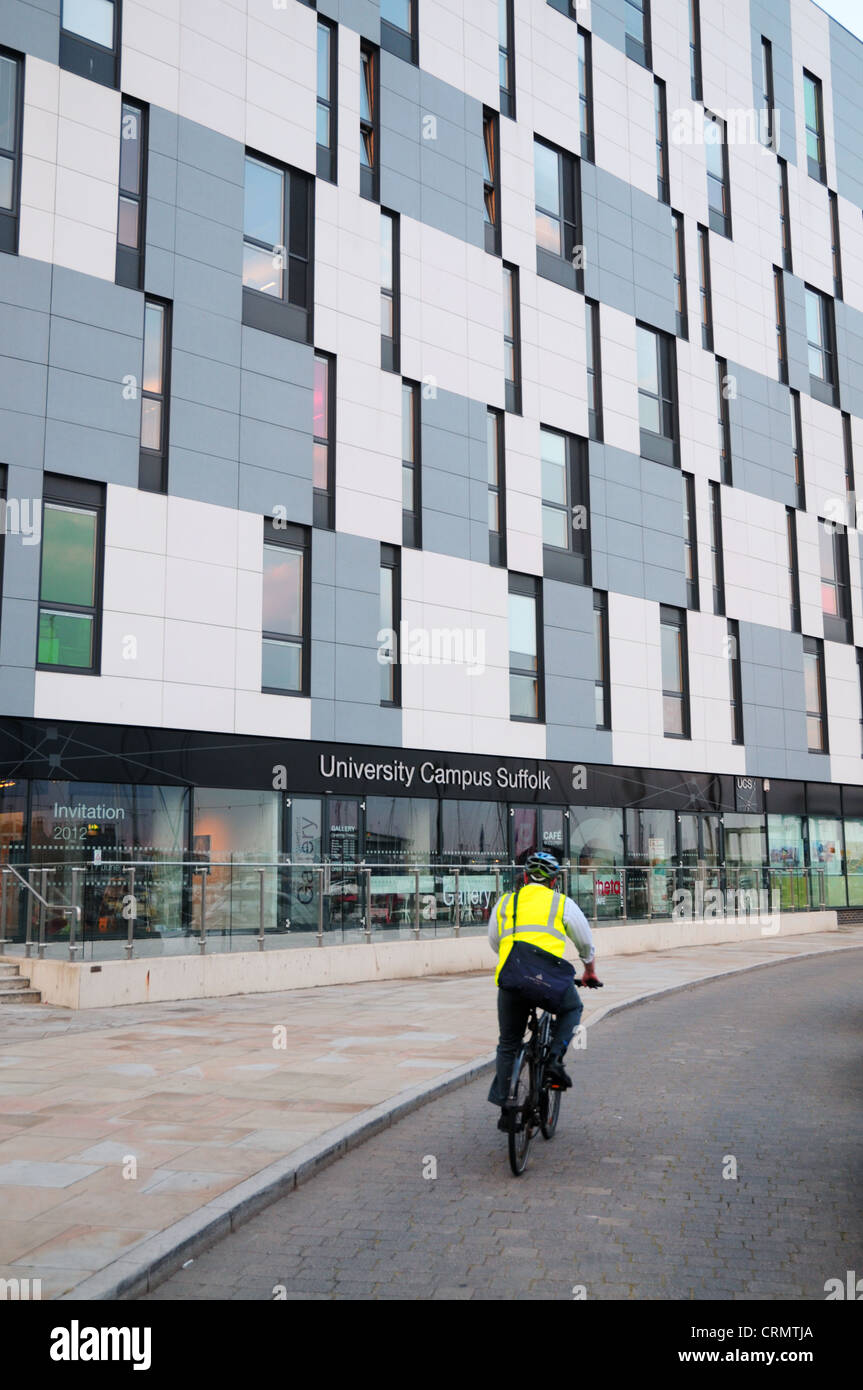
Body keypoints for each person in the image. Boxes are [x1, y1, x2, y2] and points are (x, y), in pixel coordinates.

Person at [487, 850, 599, 1130]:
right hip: (548, 981)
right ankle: (554, 1061)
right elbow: (585, 943)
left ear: (524, 877)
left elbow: (494, 941)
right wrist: (589, 971)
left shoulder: (505, 902)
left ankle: (506, 1108)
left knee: (509, 1043)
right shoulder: (563, 904)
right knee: (572, 1007)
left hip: (512, 979)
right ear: (554, 881)